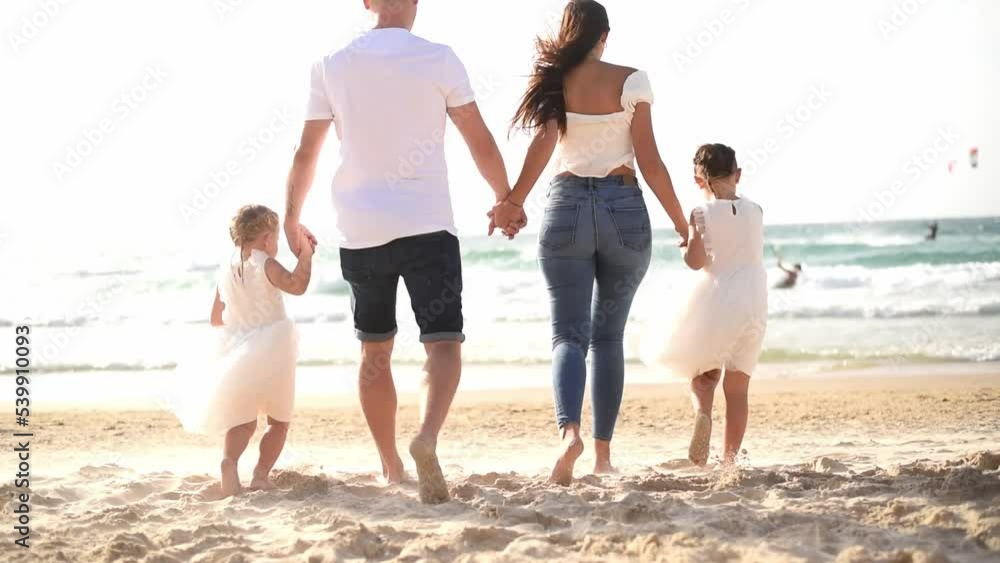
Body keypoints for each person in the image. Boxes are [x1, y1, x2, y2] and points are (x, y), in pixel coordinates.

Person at [284, 0, 521, 504]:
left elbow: (307, 151)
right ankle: (426, 437)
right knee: (443, 343)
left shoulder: (332, 63)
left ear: (368, 2)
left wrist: (290, 216)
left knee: (375, 350)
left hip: (360, 226)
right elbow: (478, 139)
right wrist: (505, 199)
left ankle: (390, 465)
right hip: (427, 223)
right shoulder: (438, 58)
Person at [492, 0, 688, 486]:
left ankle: (569, 435)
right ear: (605, 34)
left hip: (566, 210)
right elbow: (651, 161)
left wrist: (512, 203)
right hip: (624, 210)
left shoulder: (557, 80)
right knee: (608, 337)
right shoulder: (633, 80)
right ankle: (602, 457)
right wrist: (683, 224)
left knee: (567, 336)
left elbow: (543, 146)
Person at [173, 205, 315, 498]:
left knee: (243, 419)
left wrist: (241, 323)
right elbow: (297, 286)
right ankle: (261, 475)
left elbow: (215, 318)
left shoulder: (227, 269)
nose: (276, 245)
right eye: (275, 239)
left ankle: (229, 462)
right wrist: (306, 256)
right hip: (273, 345)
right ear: (265, 239)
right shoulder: (266, 263)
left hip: (237, 347)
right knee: (278, 419)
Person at [641, 144, 767, 467]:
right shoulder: (756, 211)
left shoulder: (701, 213)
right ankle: (729, 462)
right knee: (738, 389)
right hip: (754, 302)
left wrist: (686, 246)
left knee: (703, 375)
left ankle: (703, 416)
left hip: (718, 297)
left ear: (699, 181)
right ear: (737, 175)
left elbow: (697, 262)